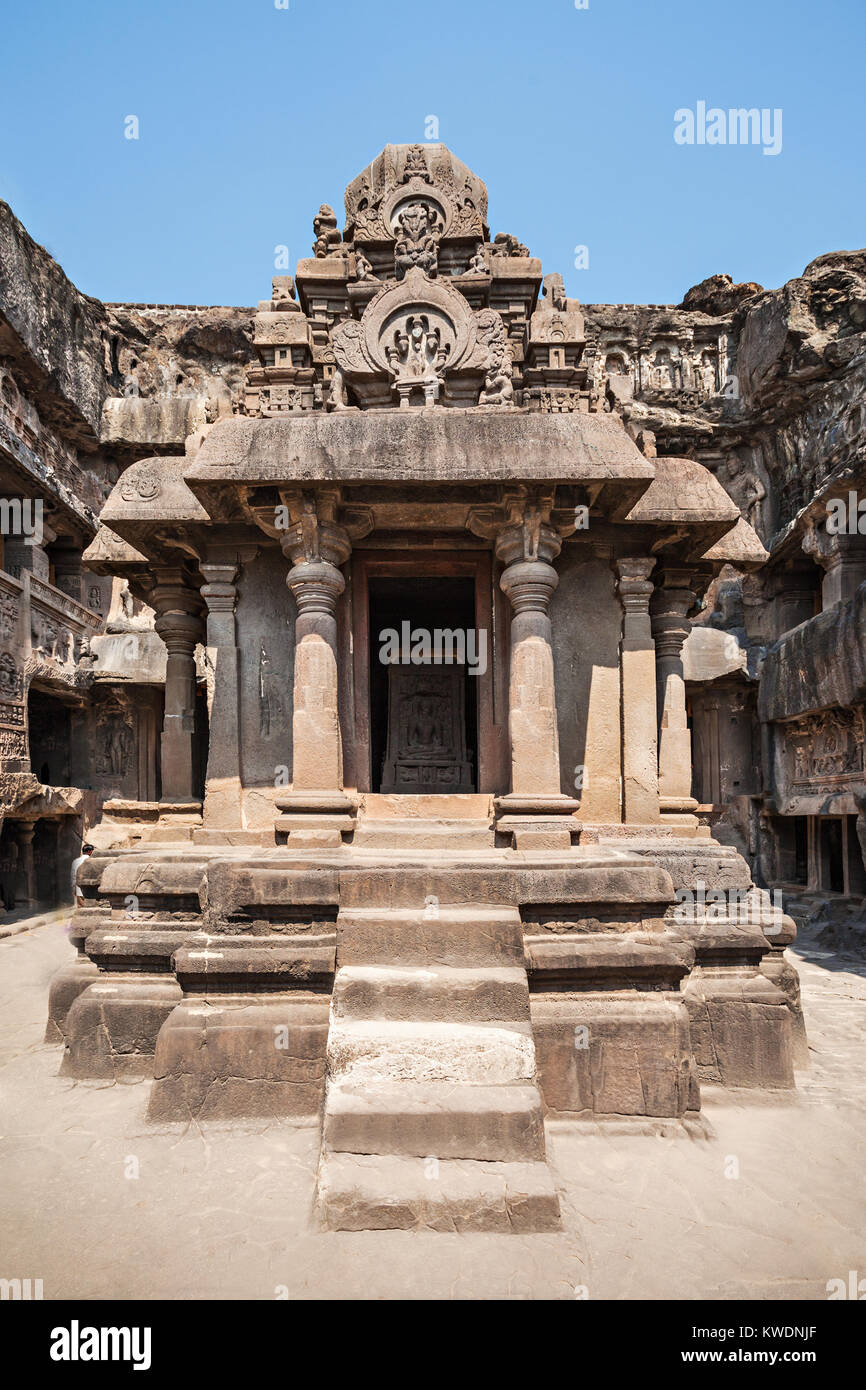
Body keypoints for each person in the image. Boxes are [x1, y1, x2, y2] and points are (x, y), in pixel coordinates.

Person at [70, 843, 94, 908]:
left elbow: (73, 877)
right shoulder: (92, 861)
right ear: (90, 851)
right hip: (91, 890)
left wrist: (74, 890)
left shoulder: (75, 861)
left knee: (81, 909)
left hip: (79, 890)